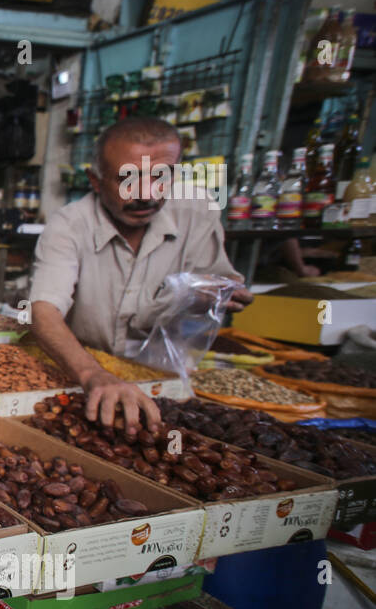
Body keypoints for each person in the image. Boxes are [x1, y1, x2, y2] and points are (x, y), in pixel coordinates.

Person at [30, 117, 253, 433]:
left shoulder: (197, 212)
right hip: (85, 372)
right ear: (95, 180)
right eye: (128, 180)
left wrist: (215, 295)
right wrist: (94, 375)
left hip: (167, 382)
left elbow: (218, 285)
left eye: (161, 177)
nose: (146, 194)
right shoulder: (69, 225)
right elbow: (44, 311)